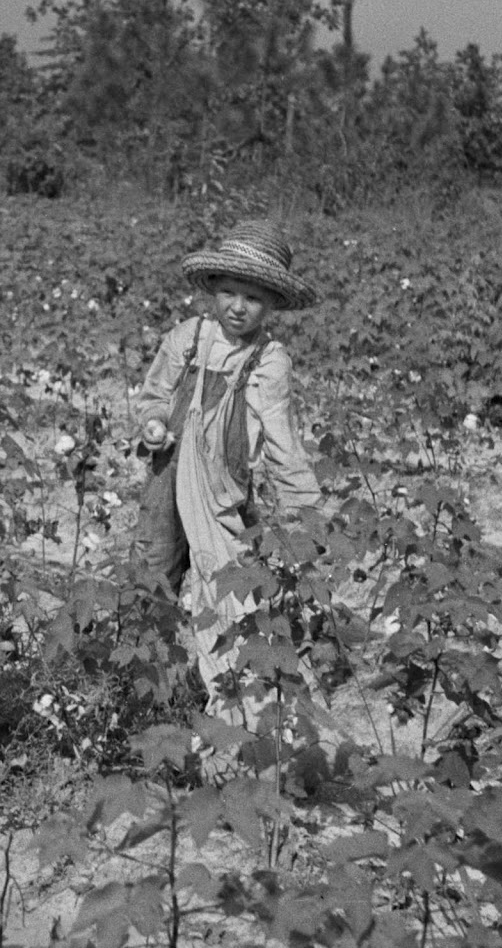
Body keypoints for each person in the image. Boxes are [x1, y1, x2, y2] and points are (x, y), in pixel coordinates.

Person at [133, 219, 322, 728]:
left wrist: (306, 509)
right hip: (167, 471)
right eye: (230, 292)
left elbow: (281, 437)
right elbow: (153, 394)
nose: (238, 307)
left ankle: (229, 705)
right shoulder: (188, 337)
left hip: (222, 486)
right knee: (153, 571)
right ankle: (154, 692)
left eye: (254, 298)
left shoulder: (268, 359)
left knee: (227, 585)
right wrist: (152, 424)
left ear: (273, 305)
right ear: (213, 290)